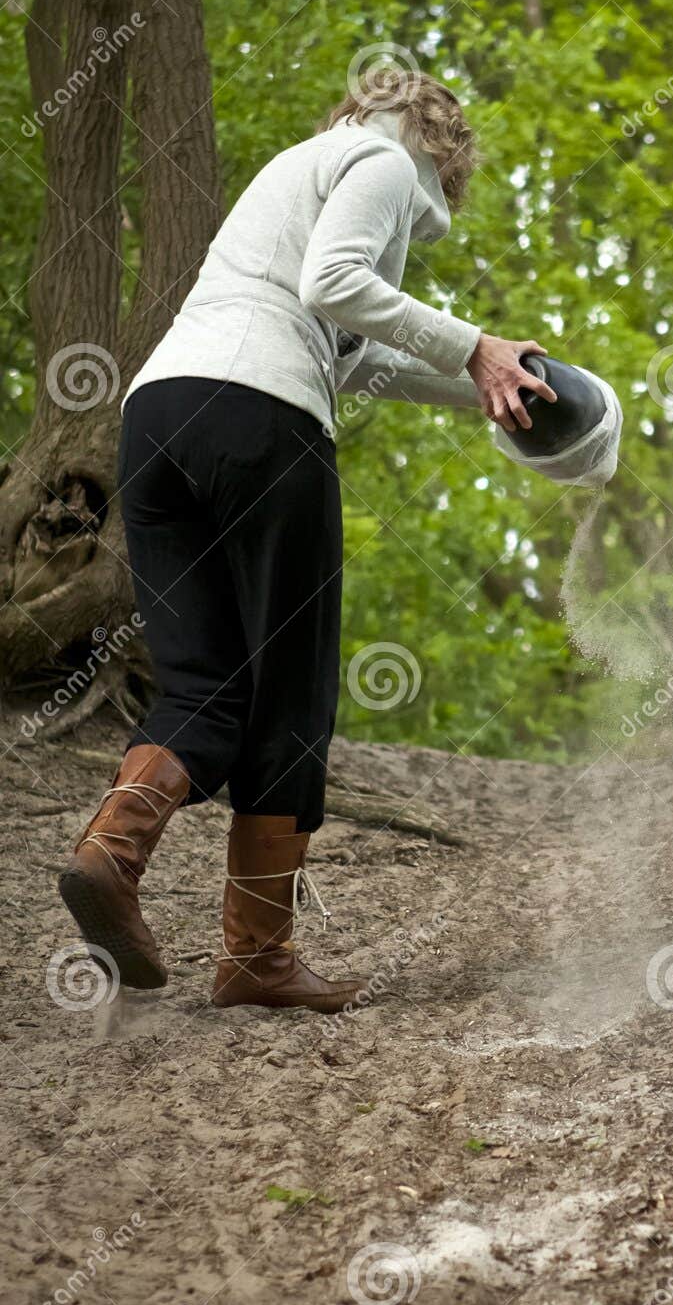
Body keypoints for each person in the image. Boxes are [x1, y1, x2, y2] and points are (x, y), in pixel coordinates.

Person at [58, 68, 556, 1014]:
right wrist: (476, 345)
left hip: (159, 421)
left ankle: (111, 853)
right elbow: (337, 284)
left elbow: (359, 347)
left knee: (205, 683)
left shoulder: (293, 173)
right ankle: (255, 956)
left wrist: (494, 381)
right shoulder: (378, 157)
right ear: (433, 147)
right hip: (261, 421)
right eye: (446, 178)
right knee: (291, 693)